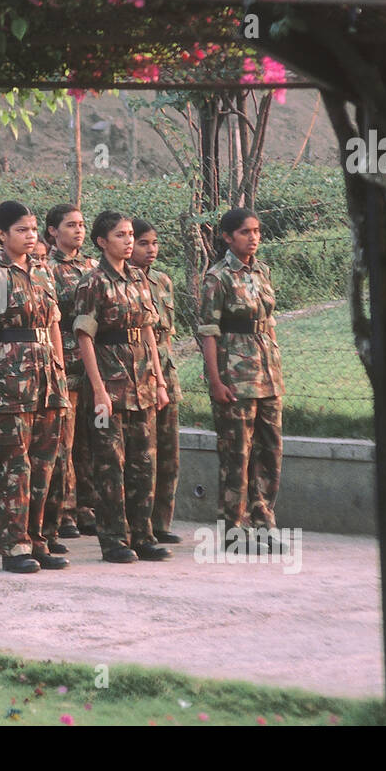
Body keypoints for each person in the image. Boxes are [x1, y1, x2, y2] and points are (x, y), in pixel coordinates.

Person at [0, 201, 70, 574]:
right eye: (21, 230)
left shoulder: (43, 272)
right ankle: (14, 545)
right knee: (14, 465)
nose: (30, 237)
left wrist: (58, 368)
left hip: (47, 380)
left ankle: (38, 539)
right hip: (10, 380)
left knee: (45, 464)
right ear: (2, 235)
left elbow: (55, 324)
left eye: (32, 230)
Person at [73, 210, 172, 564]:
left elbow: (148, 331)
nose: (129, 241)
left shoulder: (139, 279)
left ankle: (142, 534)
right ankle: (114, 538)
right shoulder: (92, 283)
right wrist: (98, 390)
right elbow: (85, 337)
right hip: (109, 385)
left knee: (143, 462)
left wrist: (159, 380)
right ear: (102, 242)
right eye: (120, 235)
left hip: (142, 381)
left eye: (131, 234)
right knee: (109, 464)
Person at [196, 207, 284, 534]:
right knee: (237, 456)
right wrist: (215, 382)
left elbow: (269, 322)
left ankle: (264, 521)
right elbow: (208, 333)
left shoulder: (262, 271)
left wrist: (276, 363)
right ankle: (234, 527)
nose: (254, 238)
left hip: (268, 373)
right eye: (246, 232)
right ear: (227, 237)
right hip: (235, 377)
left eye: (257, 231)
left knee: (270, 452)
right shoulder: (217, 278)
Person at [44, 204, 97, 540]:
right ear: (52, 231)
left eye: (81, 224)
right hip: (65, 365)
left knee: (92, 443)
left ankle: (89, 508)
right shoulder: (46, 269)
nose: (78, 230)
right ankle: (64, 513)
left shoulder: (93, 267)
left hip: (96, 367)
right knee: (64, 444)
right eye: (70, 225)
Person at [130, 218, 183, 545]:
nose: (151, 249)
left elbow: (168, 331)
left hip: (165, 362)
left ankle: (162, 521)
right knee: (142, 452)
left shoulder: (162, 281)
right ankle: (139, 524)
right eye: (143, 243)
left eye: (154, 243)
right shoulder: (124, 282)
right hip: (137, 365)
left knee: (168, 450)